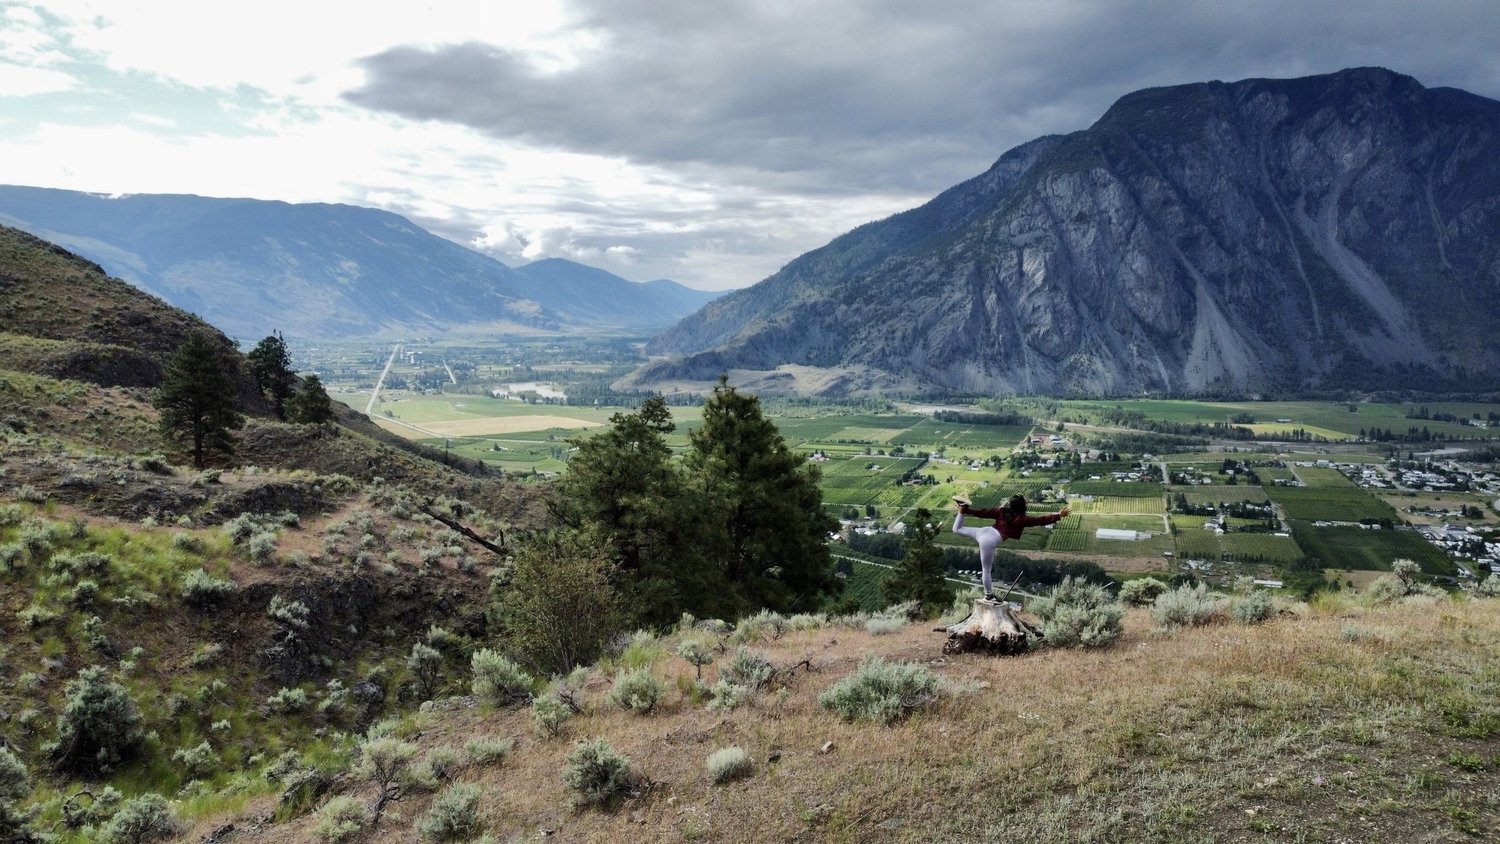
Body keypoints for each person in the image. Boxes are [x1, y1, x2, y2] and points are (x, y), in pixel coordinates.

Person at [951, 493, 1071, 601]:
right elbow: (1040, 520)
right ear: (1022, 506)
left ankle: (962, 509)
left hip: (984, 531)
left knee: (956, 529)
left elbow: (983, 512)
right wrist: (1058, 515)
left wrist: (967, 511)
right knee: (986, 570)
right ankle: (988, 595)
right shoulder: (1021, 519)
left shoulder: (1002, 511)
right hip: (988, 541)